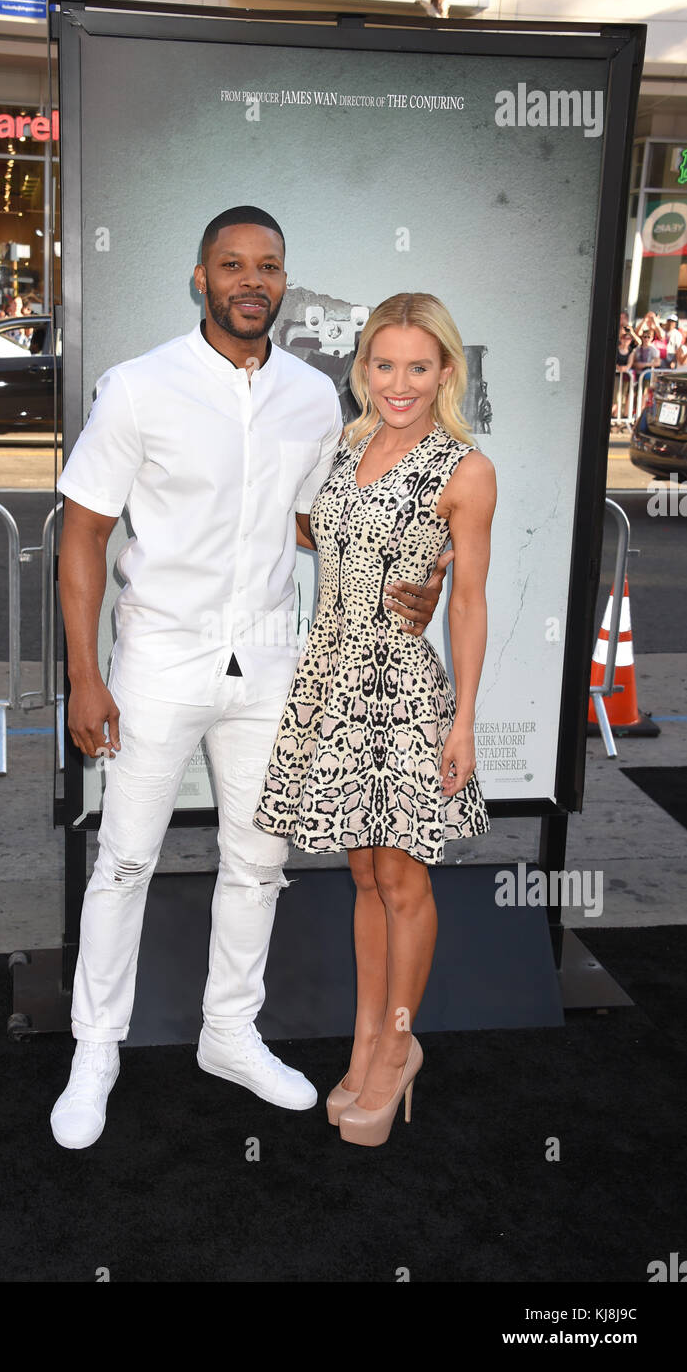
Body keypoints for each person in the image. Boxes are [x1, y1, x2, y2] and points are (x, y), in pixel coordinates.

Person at [49, 207, 451, 1149]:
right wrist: (83, 672)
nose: (249, 281)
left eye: (266, 266)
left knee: (258, 862)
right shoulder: (140, 389)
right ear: (199, 277)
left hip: (271, 663)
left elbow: (322, 525)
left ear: (283, 280)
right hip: (156, 659)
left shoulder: (316, 398)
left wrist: (416, 579)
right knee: (126, 859)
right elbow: (84, 533)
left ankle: (228, 1033)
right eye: (231, 265)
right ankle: (95, 1051)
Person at [253, 292, 496, 1147]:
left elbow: (466, 604)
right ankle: (364, 1040)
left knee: (401, 879)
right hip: (331, 678)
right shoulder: (345, 448)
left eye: (418, 367)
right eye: (383, 365)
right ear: (364, 369)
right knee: (361, 875)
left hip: (398, 691)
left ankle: (397, 1047)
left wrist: (462, 720)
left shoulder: (463, 469)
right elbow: (318, 531)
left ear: (445, 372)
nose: (399, 384)